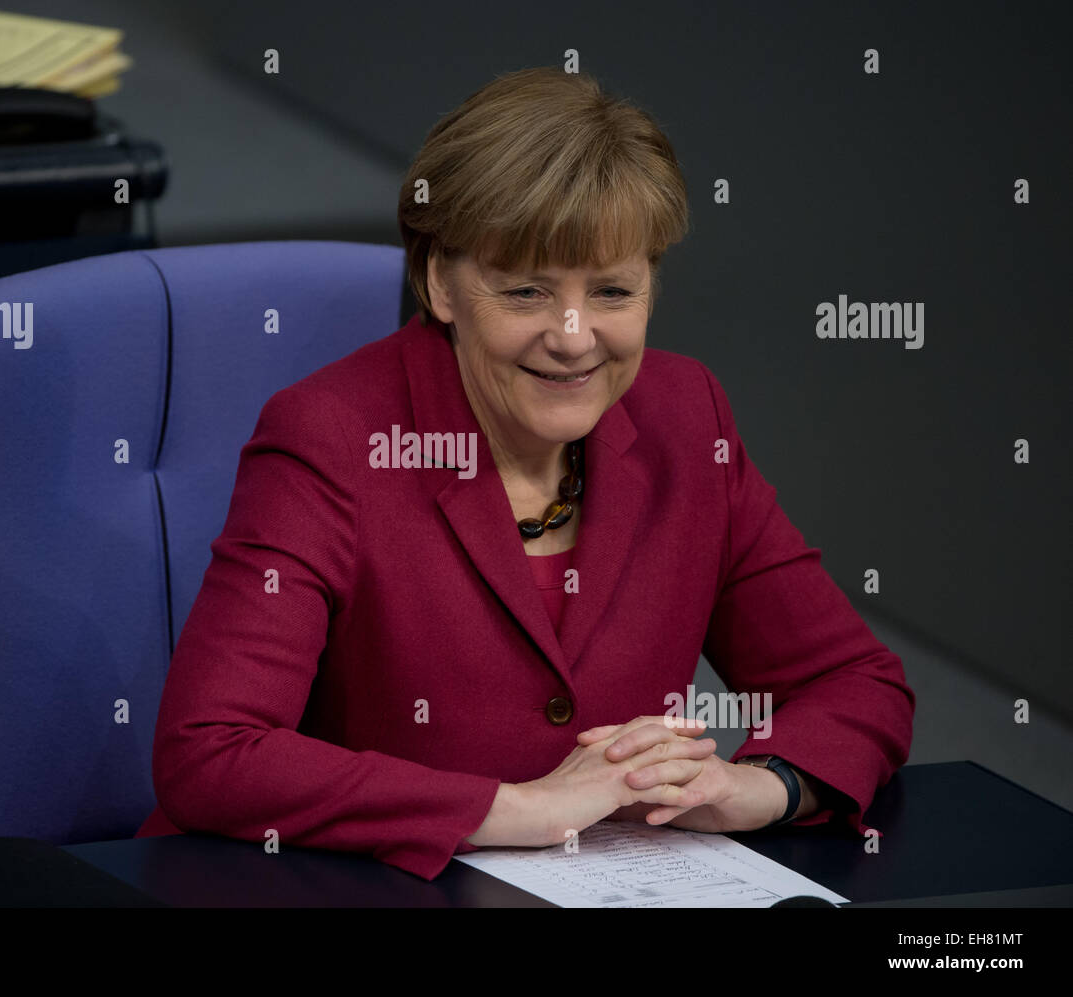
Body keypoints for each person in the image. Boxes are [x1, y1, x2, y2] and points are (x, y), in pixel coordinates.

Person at [138, 66, 914, 881]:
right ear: (441, 280)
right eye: (527, 291)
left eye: (612, 289)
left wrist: (759, 786)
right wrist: (516, 807)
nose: (574, 336)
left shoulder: (687, 415)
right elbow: (211, 751)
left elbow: (853, 680)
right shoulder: (332, 437)